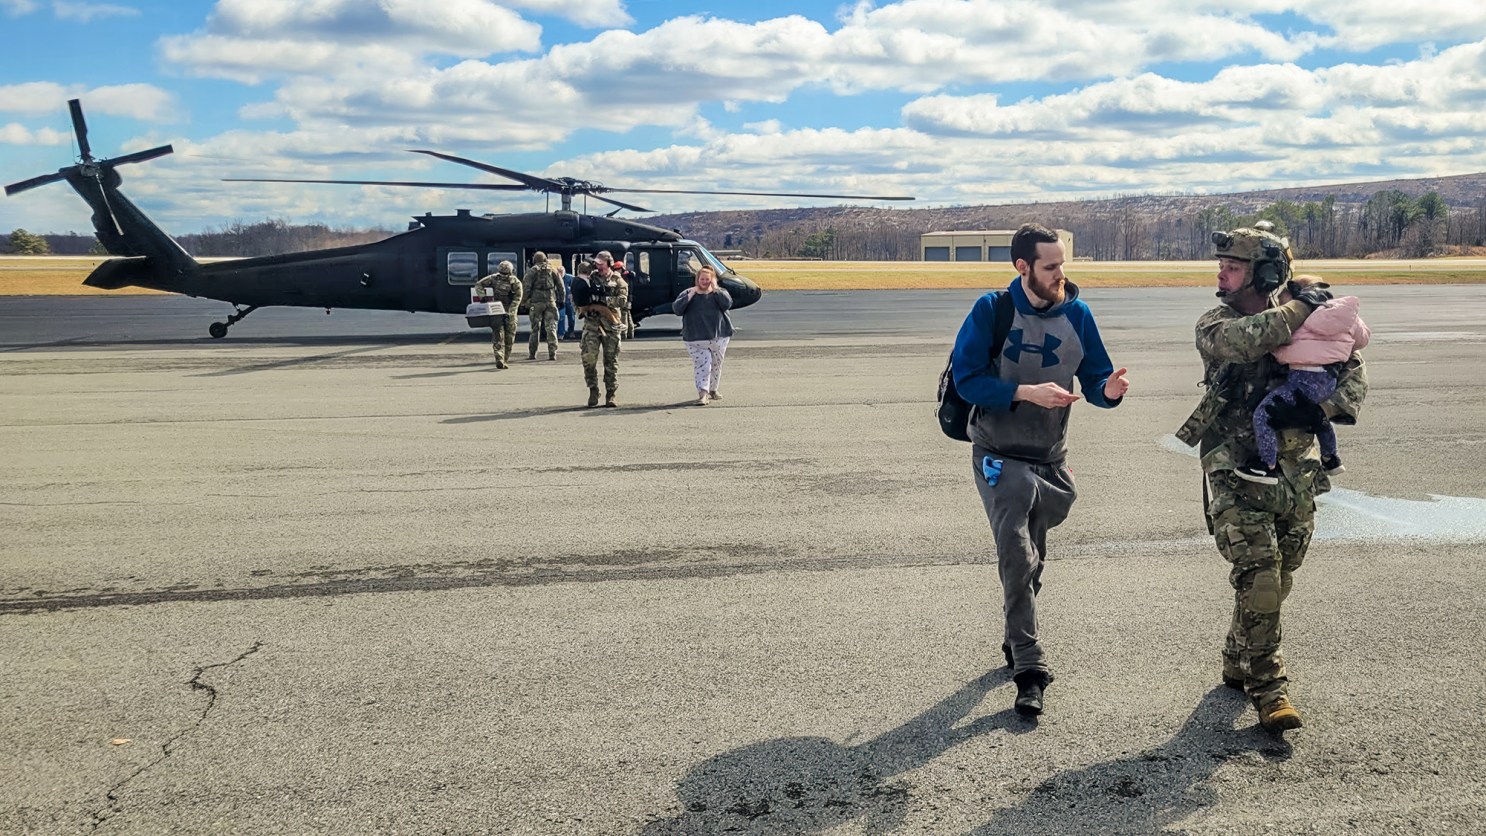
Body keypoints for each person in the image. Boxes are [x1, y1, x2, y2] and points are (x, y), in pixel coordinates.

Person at [1175, 225, 1367, 732]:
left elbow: (1353, 368)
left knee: (1280, 578)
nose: (1220, 274)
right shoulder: (1217, 322)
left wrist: (1320, 406)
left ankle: (1239, 657)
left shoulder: (1317, 325)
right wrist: (1304, 305)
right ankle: (1270, 689)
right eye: (1222, 265)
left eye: (1232, 267)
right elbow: (1249, 340)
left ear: (1264, 272)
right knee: (1260, 578)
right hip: (1236, 470)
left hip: (1296, 474)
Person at [951, 222, 1129, 718]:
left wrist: (1108, 392)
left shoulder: (1079, 313)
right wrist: (1026, 393)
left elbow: (1095, 376)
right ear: (1022, 267)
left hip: (1050, 456)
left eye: (1063, 265)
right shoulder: (993, 310)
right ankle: (1029, 667)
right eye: (1051, 267)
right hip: (998, 452)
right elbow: (968, 380)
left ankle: (1016, 628)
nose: (1060, 275)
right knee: (1014, 548)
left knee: (1032, 560)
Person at [1238, 275, 1371, 485]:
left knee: (1264, 415)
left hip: (1301, 379)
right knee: (1318, 417)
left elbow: (1277, 346)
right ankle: (1332, 457)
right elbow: (1362, 339)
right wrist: (1337, 349)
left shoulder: (1296, 321)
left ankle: (1266, 465)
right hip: (1327, 380)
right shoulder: (1342, 318)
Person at [672, 265, 734, 405]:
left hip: (719, 336)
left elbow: (727, 304)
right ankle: (703, 394)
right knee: (703, 366)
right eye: (702, 279)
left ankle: (713, 389)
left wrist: (716, 289)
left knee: (716, 364)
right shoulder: (688, 293)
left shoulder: (720, 293)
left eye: (708, 279)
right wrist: (690, 295)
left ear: (713, 280)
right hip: (696, 338)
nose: (704, 282)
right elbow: (677, 309)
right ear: (697, 279)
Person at [575, 253, 628, 407]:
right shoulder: (589, 278)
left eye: (601, 263)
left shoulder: (617, 280)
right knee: (589, 359)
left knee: (611, 361)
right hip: (592, 324)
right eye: (597, 263)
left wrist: (603, 301)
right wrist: (583, 308)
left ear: (609, 263)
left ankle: (611, 393)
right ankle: (593, 389)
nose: (598, 266)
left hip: (611, 327)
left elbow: (623, 300)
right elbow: (577, 294)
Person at [474, 260, 522, 369]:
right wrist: (511, 311)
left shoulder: (494, 278)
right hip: (508, 312)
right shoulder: (515, 281)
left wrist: (482, 297)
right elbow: (517, 298)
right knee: (509, 337)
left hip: (497, 310)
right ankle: (504, 360)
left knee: (498, 336)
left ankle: (500, 358)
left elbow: (479, 284)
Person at [522, 251, 566, 361]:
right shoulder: (553, 270)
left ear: (534, 261)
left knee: (535, 329)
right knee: (551, 327)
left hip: (536, 303)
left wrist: (524, 302)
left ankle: (532, 354)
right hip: (550, 302)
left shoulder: (532, 271)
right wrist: (561, 300)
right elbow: (561, 287)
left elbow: (526, 287)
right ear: (546, 259)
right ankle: (552, 353)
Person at [557, 261, 576, 340]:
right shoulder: (556, 278)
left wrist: (573, 295)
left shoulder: (571, 278)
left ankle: (571, 331)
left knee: (571, 318)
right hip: (561, 301)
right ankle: (561, 333)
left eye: (562, 272)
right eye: (559, 272)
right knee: (561, 317)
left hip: (569, 301)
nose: (561, 274)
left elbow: (575, 288)